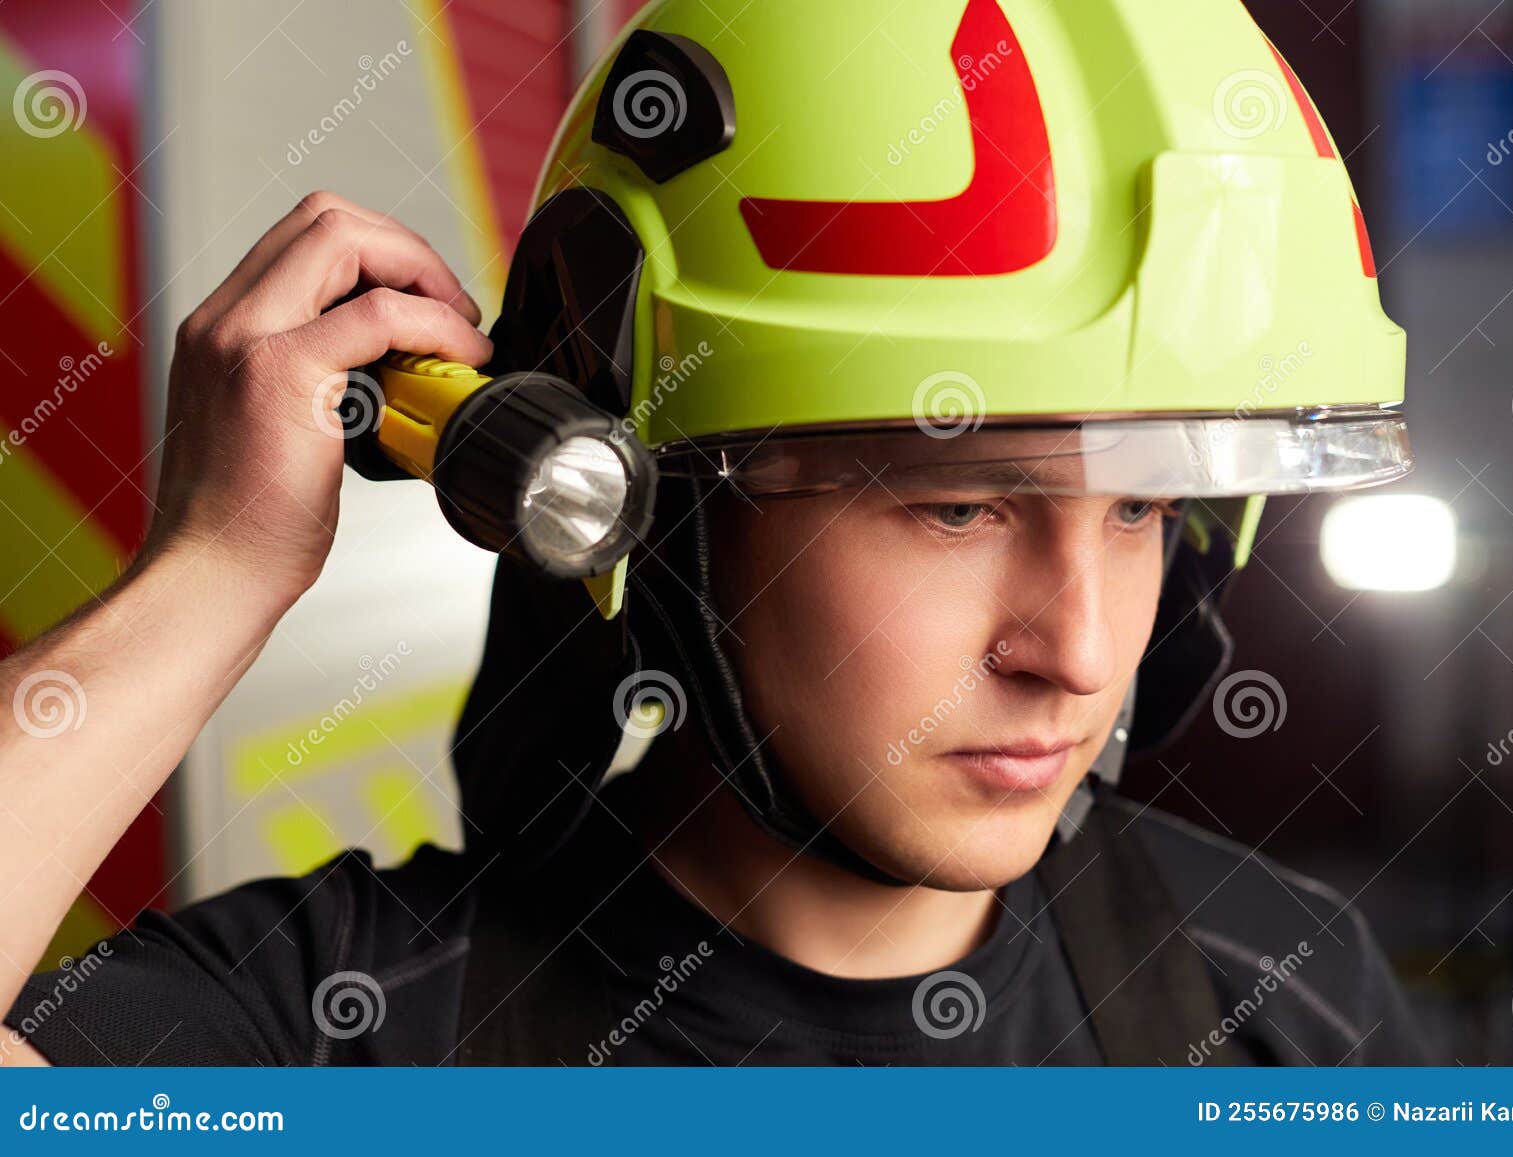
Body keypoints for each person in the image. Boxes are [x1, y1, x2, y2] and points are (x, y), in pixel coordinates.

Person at [1, 0, 1429, 1066]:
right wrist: (218, 566)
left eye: (1141, 509)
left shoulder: (1285, 990)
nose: (1083, 647)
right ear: (652, 507)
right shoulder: (346, 1029)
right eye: (959, 505)